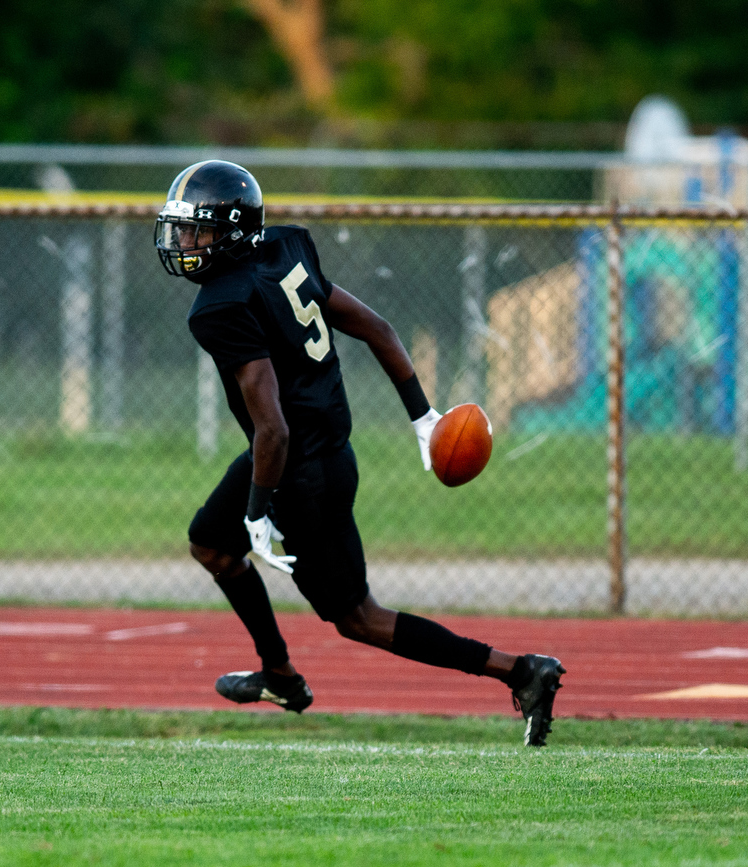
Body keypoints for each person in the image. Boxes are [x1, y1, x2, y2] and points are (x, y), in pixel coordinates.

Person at [155, 159, 566, 746]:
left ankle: (521, 670)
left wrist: (258, 510)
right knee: (209, 543)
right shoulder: (285, 247)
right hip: (309, 452)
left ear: (234, 231)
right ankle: (278, 673)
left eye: (199, 230)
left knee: (358, 618)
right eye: (185, 229)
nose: (187, 243)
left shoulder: (218, 306)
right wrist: (422, 414)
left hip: (299, 471)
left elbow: (273, 429)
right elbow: (376, 326)